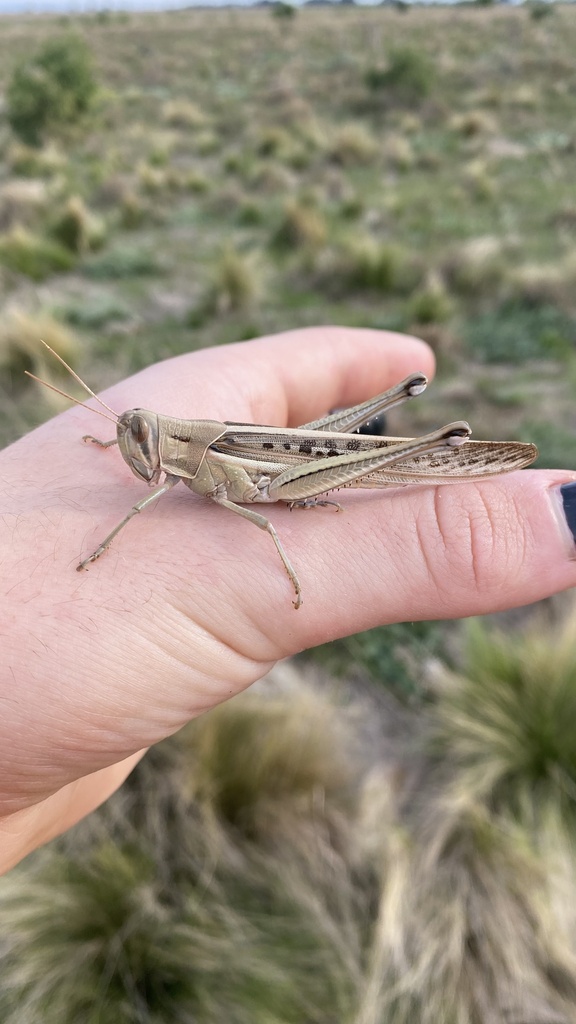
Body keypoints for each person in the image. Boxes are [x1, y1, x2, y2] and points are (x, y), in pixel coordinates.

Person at [2, 325, 576, 874]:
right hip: (280, 466)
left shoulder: (202, 459)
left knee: (288, 495)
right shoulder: (178, 459)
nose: (138, 451)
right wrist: (112, 437)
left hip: (288, 473)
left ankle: (437, 446)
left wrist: (291, 565)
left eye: (142, 437)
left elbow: (255, 512)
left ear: (168, 439)